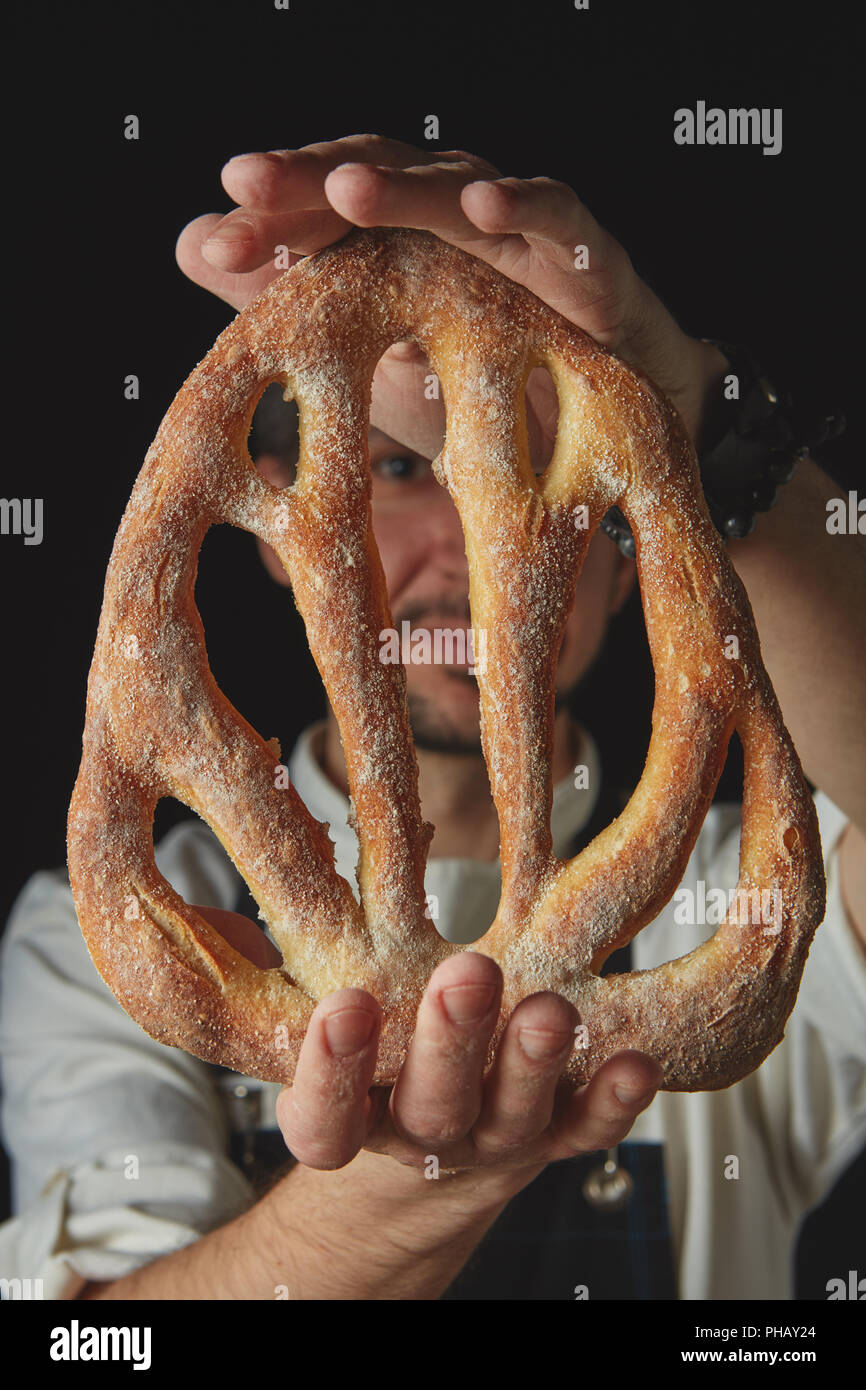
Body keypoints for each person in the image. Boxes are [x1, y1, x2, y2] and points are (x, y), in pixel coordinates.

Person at [1, 135, 863, 1302]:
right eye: (401, 471)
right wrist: (408, 1193)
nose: (473, 544)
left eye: (532, 473)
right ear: (272, 522)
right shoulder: (129, 928)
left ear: (624, 561)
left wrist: (701, 425)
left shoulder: (730, 895)